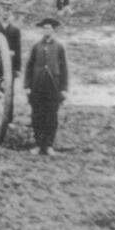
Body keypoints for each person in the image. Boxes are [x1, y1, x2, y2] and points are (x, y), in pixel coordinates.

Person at [25, 17, 69, 155]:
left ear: (53, 30)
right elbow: (29, 67)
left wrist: (64, 88)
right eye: (44, 28)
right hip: (38, 85)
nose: (46, 30)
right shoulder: (36, 46)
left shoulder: (59, 47)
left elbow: (64, 69)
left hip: (53, 86)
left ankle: (49, 145)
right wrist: (27, 85)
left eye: (49, 28)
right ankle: (38, 144)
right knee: (37, 115)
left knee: (51, 116)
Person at [0, 0, 22, 124]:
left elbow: (18, 50)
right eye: (3, 10)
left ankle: (8, 120)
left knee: (9, 93)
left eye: (8, 11)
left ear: (10, 13)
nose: (5, 13)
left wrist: (17, 68)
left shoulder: (15, 30)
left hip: (9, 67)